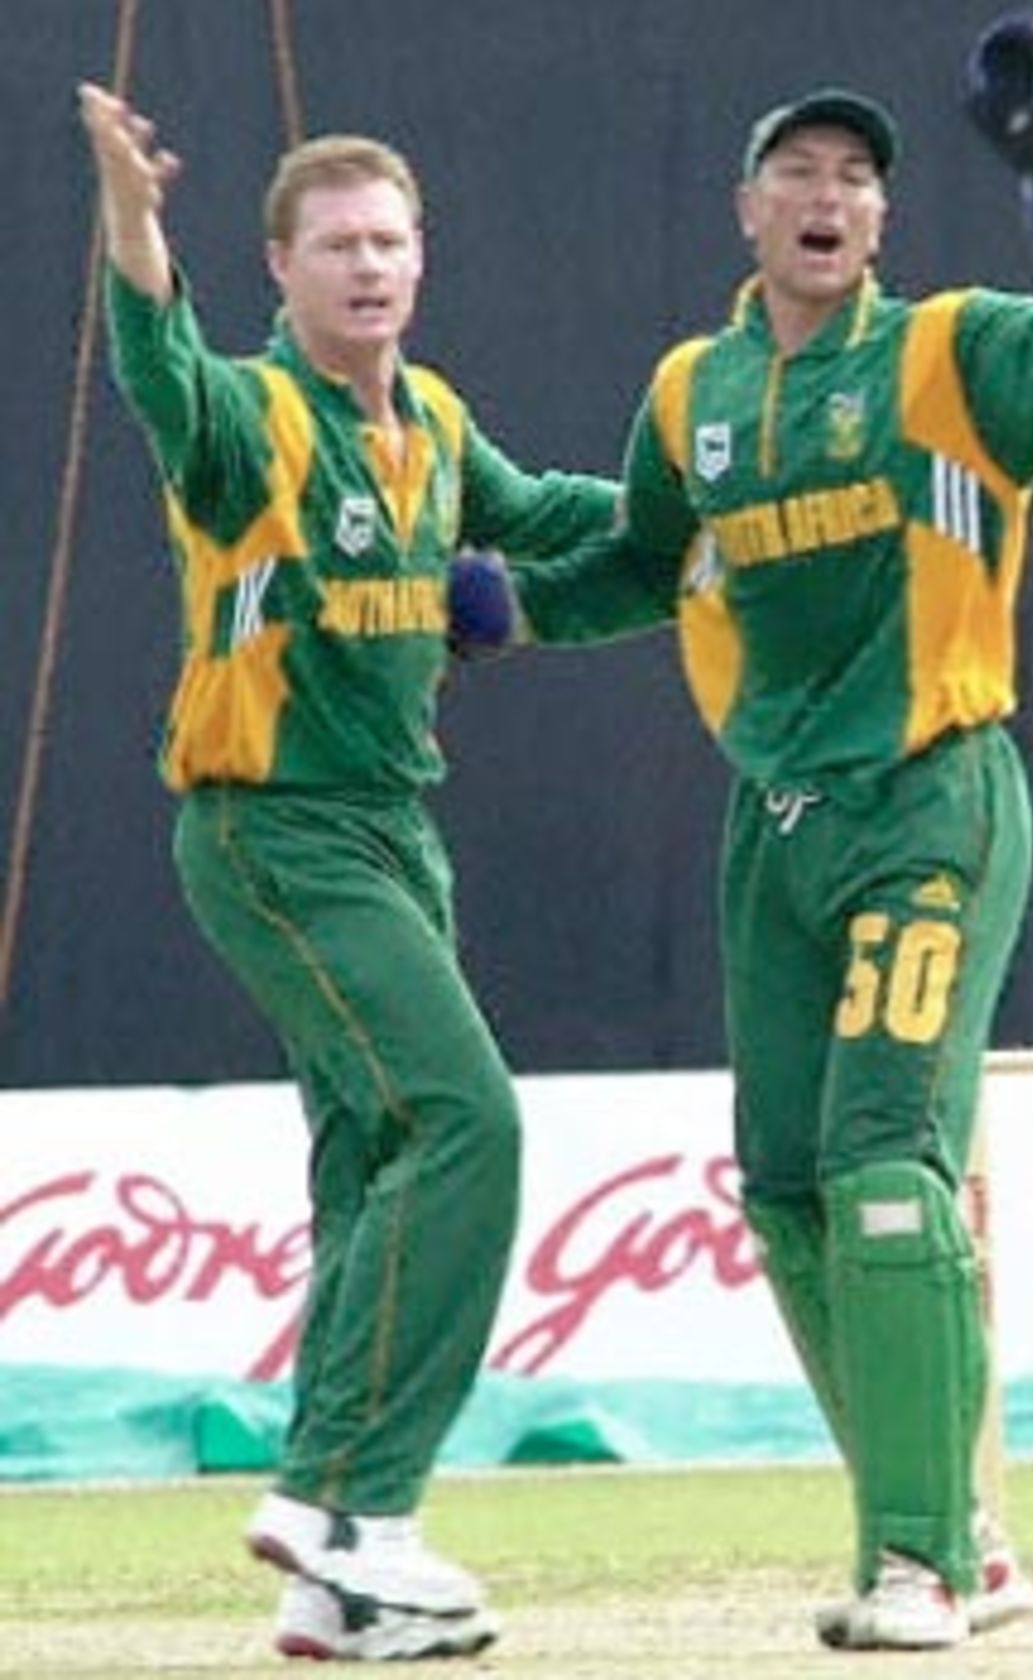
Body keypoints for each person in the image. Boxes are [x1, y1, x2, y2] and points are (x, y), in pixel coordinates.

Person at [448, 11, 1033, 1652]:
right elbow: (640, 558)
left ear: (883, 222)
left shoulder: (951, 357)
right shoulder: (694, 391)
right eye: (799, 172)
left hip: (932, 797)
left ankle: (914, 1560)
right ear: (748, 208)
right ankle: (966, 1536)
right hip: (771, 828)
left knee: (884, 1162)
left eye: (855, 177)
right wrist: (495, 608)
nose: (828, 195)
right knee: (782, 1187)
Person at [77, 84, 619, 1663]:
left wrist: (709, 521)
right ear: (281, 268)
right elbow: (157, 363)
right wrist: (130, 216)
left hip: (396, 832)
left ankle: (343, 1596)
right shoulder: (253, 418)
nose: (370, 267)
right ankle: (344, 1500)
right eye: (338, 245)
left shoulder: (431, 422)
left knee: (368, 1171)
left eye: (390, 240)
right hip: (273, 828)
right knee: (464, 1121)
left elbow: (558, 526)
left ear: (420, 259)